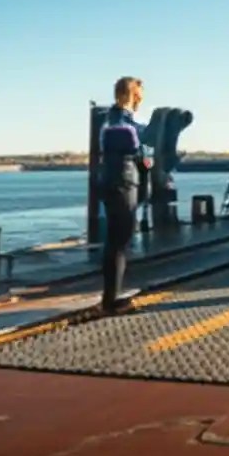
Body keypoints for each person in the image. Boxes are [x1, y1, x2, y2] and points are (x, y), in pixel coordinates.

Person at [96, 75, 152, 313]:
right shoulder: (122, 123)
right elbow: (134, 150)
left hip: (111, 181)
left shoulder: (110, 120)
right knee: (119, 240)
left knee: (116, 240)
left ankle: (111, 295)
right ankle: (111, 301)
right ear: (134, 95)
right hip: (123, 182)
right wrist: (144, 159)